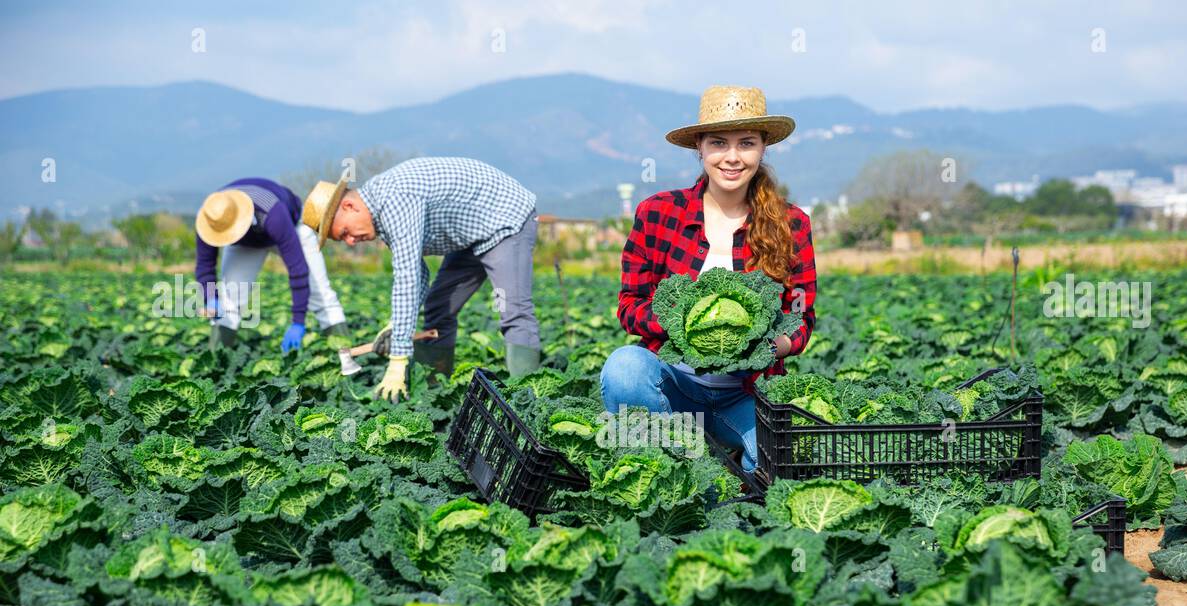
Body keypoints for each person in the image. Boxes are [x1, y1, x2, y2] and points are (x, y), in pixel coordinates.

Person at [599, 86, 817, 478]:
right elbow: (629, 306)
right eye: (719, 143)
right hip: (674, 387)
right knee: (624, 368)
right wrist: (684, 328)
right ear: (699, 147)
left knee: (776, 473)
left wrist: (763, 344)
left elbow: (800, 319)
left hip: (747, 392)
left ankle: (716, 471)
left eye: (746, 143)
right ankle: (673, 473)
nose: (732, 157)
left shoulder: (791, 223)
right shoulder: (658, 213)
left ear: (763, 148)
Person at [313, 157, 543, 402]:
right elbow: (421, 276)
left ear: (349, 206)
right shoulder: (381, 214)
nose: (350, 241)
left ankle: (526, 404)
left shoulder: (395, 199)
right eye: (343, 239)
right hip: (468, 235)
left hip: (504, 221)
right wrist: (395, 325)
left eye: (345, 232)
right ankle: (436, 395)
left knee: (511, 309)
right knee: (438, 308)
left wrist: (398, 360)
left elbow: (408, 277)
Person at [195, 177, 350, 351]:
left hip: (291, 228)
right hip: (246, 243)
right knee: (229, 301)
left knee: (321, 294)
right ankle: (215, 364)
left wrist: (298, 322)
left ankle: (345, 358)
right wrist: (210, 298)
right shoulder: (211, 218)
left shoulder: (272, 213)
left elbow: (297, 269)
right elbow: (204, 266)